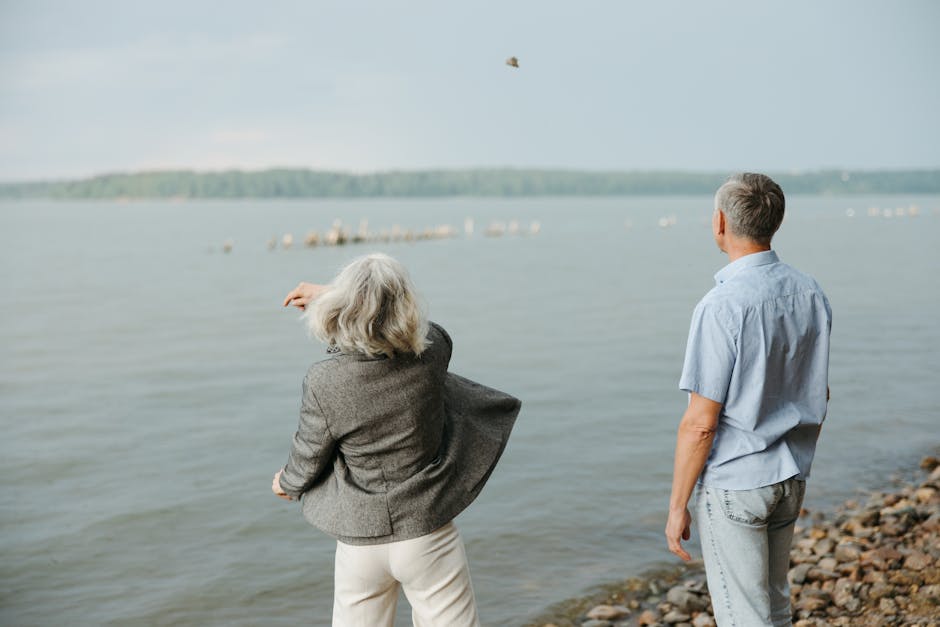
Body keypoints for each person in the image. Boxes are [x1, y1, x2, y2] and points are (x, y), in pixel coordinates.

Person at [271, 253, 520, 627]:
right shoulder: (432, 352)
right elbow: (426, 329)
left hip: (359, 539)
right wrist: (357, 295)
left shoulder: (324, 381)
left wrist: (286, 484)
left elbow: (309, 453)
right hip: (426, 530)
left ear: (343, 307)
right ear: (406, 305)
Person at [665, 173, 832, 626]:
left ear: (720, 222)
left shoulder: (720, 306)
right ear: (775, 221)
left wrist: (678, 506)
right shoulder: (810, 291)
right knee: (774, 604)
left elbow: (700, 423)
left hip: (737, 484)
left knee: (744, 616)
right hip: (792, 475)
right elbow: (821, 391)